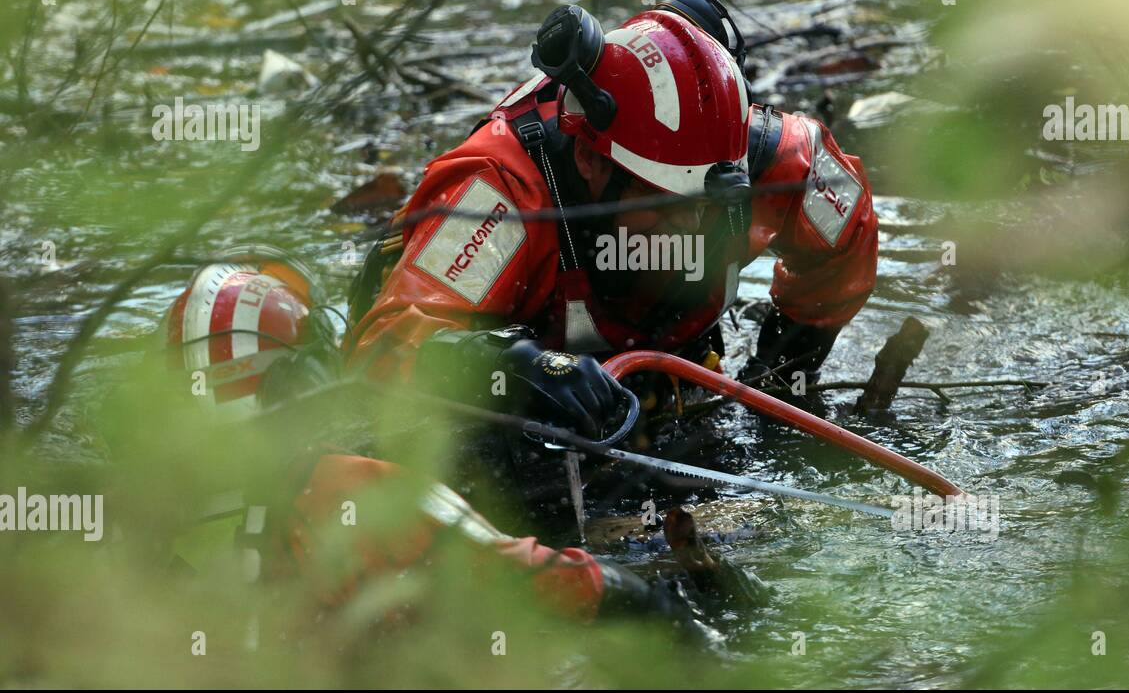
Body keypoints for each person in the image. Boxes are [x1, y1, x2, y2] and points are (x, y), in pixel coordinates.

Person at [346, 0, 880, 440]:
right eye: (666, 204)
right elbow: (388, 348)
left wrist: (780, 378)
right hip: (524, 406)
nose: (693, 230)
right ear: (590, 159)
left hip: (666, 375)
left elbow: (848, 227)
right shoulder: (503, 195)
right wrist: (506, 366)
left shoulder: (783, 162)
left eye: (708, 206)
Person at [160, 250, 714, 634]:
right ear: (305, 383)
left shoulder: (148, 537)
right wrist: (672, 614)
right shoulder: (353, 490)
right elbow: (561, 586)